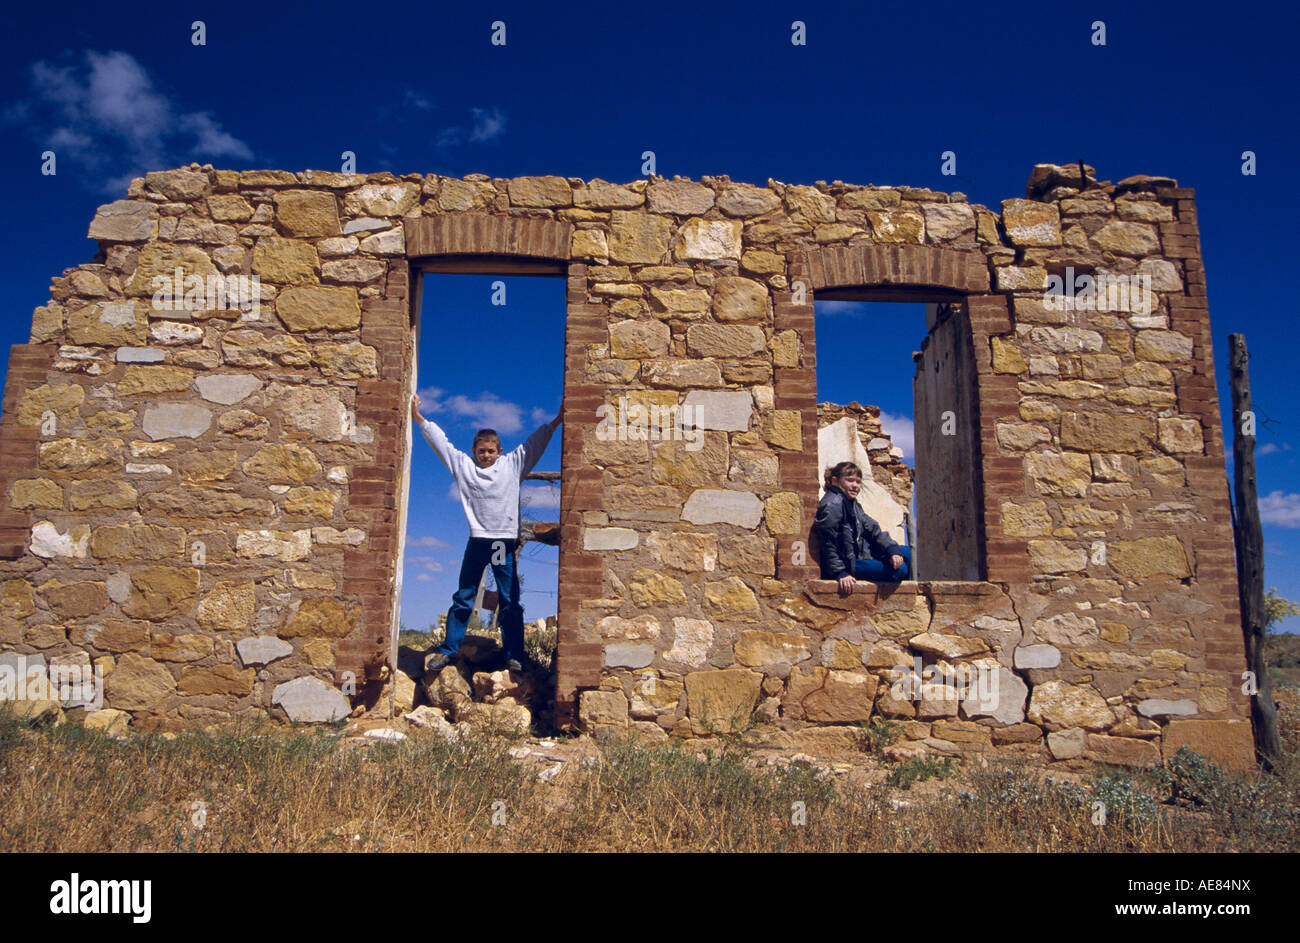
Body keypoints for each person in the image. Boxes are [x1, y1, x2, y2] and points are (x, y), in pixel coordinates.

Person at [411, 391, 562, 673]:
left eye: (491, 451)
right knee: (464, 596)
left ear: (499, 452)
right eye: (481, 451)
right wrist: (420, 418)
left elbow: (534, 444)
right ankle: (449, 650)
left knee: (509, 600)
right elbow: (442, 445)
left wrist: (557, 420)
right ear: (474, 452)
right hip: (479, 540)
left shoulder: (512, 465)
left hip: (501, 542)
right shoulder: (464, 467)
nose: (486, 455)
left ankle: (514, 655)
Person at [813, 460, 911, 595]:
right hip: (850, 563)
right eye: (850, 480)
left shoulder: (852, 504)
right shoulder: (833, 505)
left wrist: (891, 549)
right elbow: (827, 543)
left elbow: (873, 529)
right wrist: (840, 572)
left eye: (858, 482)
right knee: (901, 570)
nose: (855, 486)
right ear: (835, 481)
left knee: (908, 553)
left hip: (861, 553)